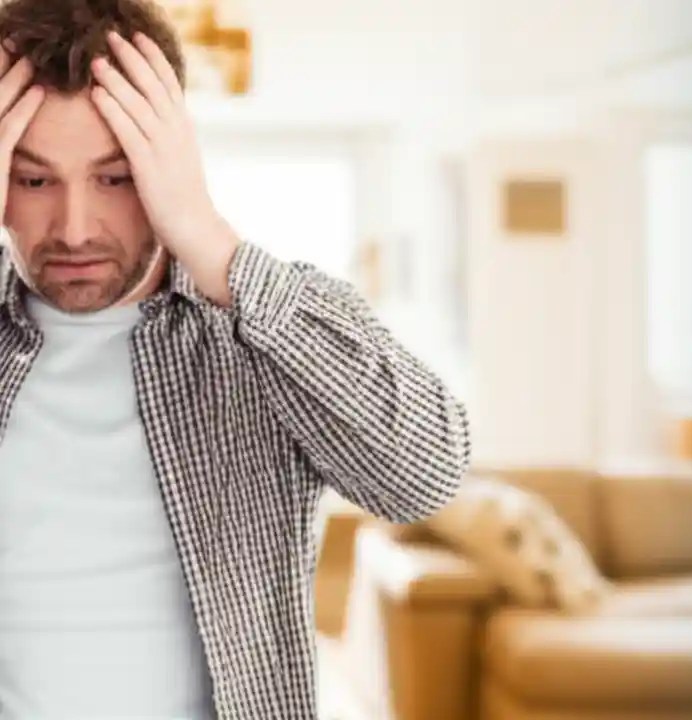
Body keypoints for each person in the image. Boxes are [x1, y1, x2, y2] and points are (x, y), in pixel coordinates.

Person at [0, 0, 471, 717]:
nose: (74, 228)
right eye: (34, 180)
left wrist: (209, 238)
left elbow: (426, 475)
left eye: (116, 177)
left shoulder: (262, 333)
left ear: (171, 162)